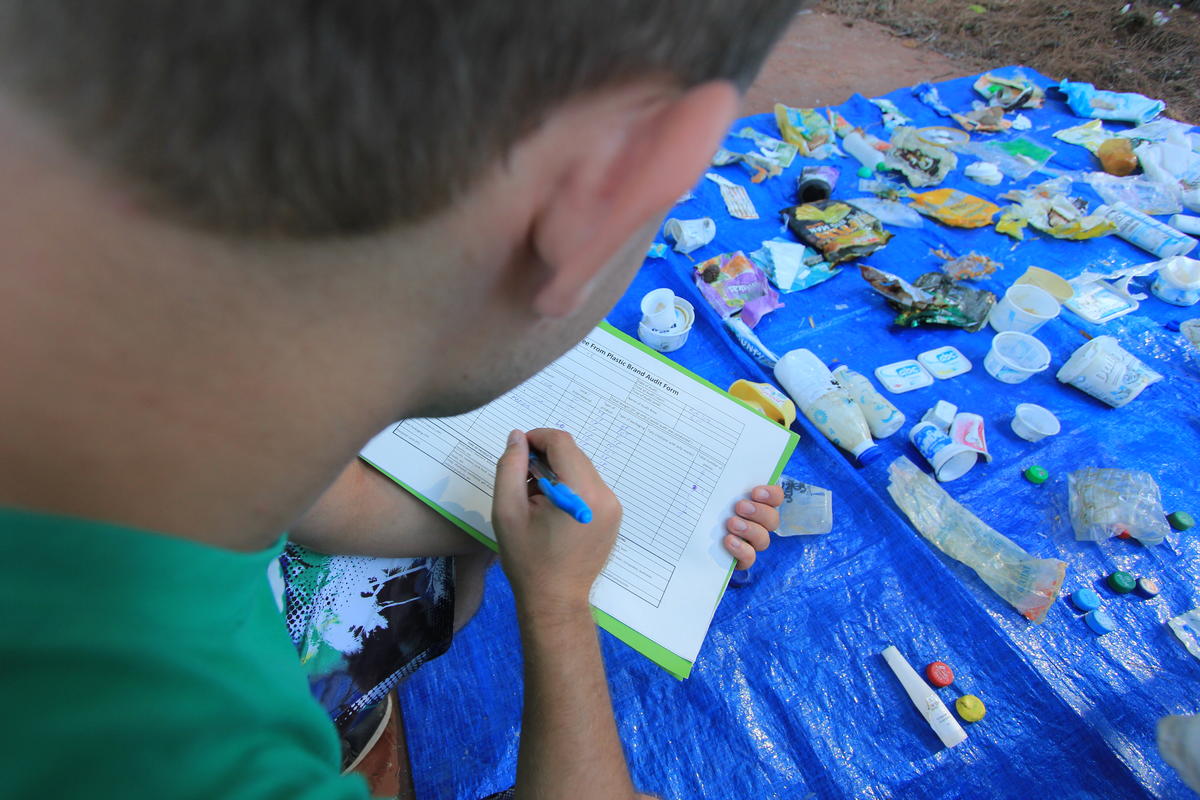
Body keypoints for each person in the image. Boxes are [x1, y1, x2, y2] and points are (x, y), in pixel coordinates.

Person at [0, 2, 803, 798]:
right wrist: (558, 604)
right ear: (613, 186)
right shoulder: (200, 766)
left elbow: (317, 498)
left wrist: (514, 527)